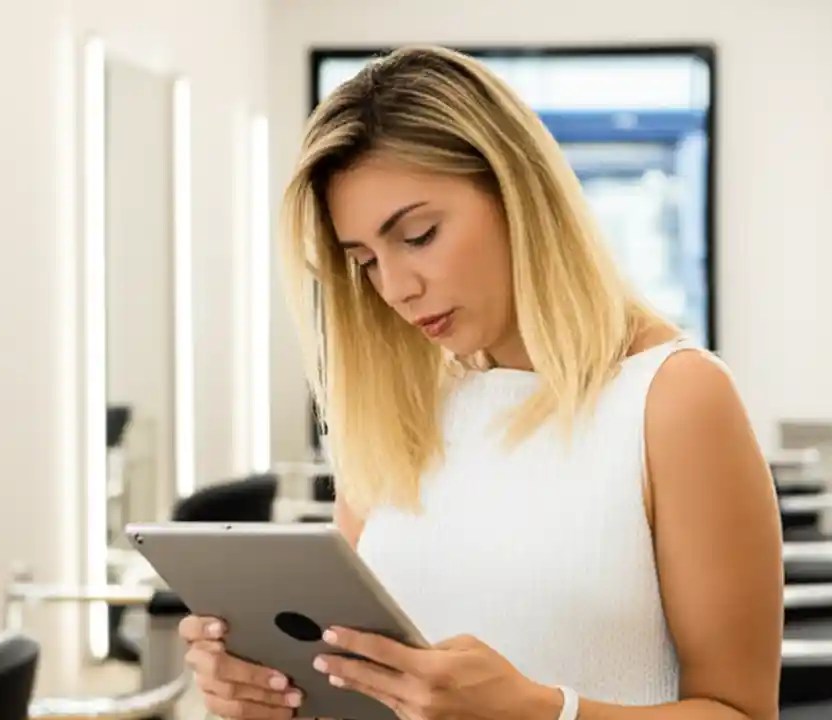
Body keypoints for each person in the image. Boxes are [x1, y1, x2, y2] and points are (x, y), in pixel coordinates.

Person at [180, 45, 783, 720]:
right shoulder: (399, 411)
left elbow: (741, 713)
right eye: (366, 261)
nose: (398, 289)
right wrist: (267, 695)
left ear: (515, 190)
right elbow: (353, 680)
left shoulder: (673, 399)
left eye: (418, 234)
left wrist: (542, 711)